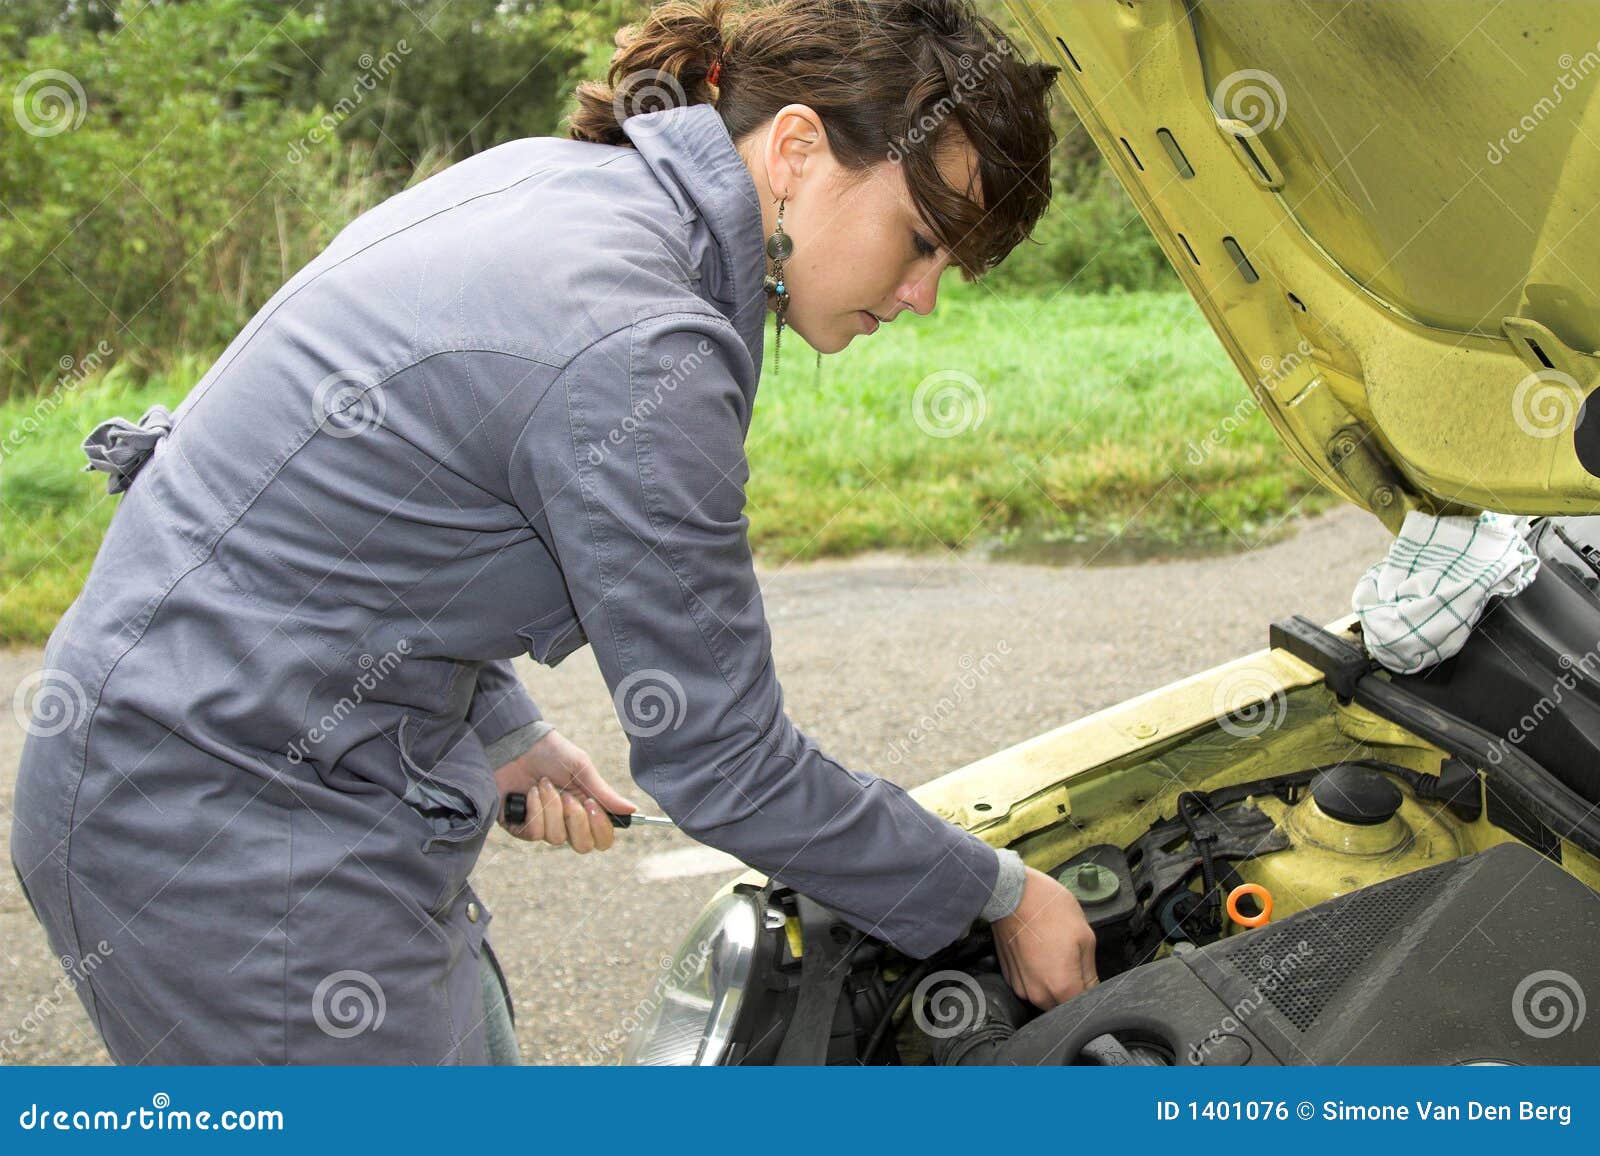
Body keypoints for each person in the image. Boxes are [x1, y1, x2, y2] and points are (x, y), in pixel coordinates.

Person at [9, 0, 1095, 1065]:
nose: (922, 298)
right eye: (919, 241)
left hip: (225, 754)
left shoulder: (561, 185)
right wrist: (996, 892)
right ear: (798, 148)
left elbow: (364, 504)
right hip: (216, 831)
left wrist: (498, 725)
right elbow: (726, 762)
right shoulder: (637, 342)